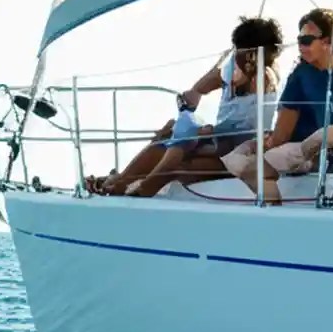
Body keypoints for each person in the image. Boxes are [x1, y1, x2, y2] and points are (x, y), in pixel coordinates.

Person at [85, 15, 282, 196]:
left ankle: (140, 186)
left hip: (239, 152)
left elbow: (251, 83)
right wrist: (194, 102)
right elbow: (196, 91)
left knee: (181, 158)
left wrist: (204, 131)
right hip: (218, 143)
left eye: (242, 51)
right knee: (169, 137)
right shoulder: (231, 69)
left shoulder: (265, 77)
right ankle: (122, 182)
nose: (238, 56)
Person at [221, 9, 333, 203]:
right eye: (299, 40)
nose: (300, 46)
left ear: (328, 41)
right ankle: (272, 204)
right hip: (309, 149)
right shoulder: (300, 77)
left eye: (306, 40)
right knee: (238, 161)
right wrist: (266, 143)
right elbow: (282, 136)